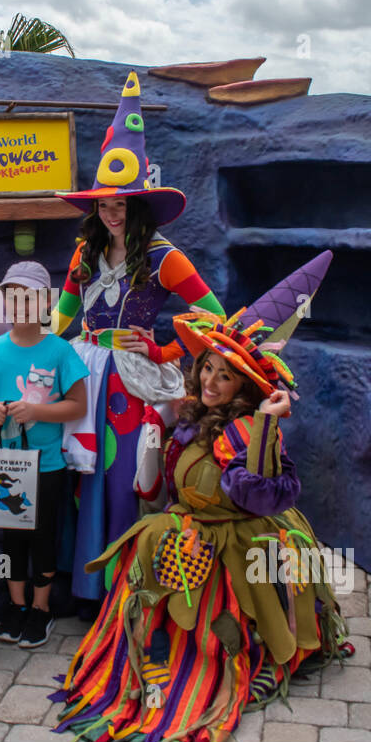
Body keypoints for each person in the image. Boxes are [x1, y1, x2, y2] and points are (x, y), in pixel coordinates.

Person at [56, 285, 351, 742]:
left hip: (237, 536)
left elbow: (256, 497)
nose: (211, 381)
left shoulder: (245, 429)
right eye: (208, 368)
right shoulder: (193, 413)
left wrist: (268, 424)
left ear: (245, 387)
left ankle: (263, 658)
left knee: (239, 602)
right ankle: (156, 654)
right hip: (190, 524)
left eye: (225, 376)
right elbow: (166, 484)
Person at [48, 71, 226, 601]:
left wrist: (164, 349)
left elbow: (214, 317)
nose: (111, 211)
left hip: (134, 383)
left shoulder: (164, 257)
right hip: (84, 374)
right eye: (104, 203)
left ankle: (126, 587)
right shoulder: (85, 254)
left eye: (121, 203)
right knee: (84, 472)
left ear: (140, 205)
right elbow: (63, 314)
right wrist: (39, 357)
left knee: (128, 471)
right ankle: (85, 585)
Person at [0, 261, 87, 648]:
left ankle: (41, 608)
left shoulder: (60, 351)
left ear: (43, 303)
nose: (20, 304)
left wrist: (36, 412)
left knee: (43, 536)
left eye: (28, 296)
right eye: (12, 296)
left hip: (47, 465)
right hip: (4, 463)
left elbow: (77, 407)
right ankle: (16, 605)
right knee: (12, 539)